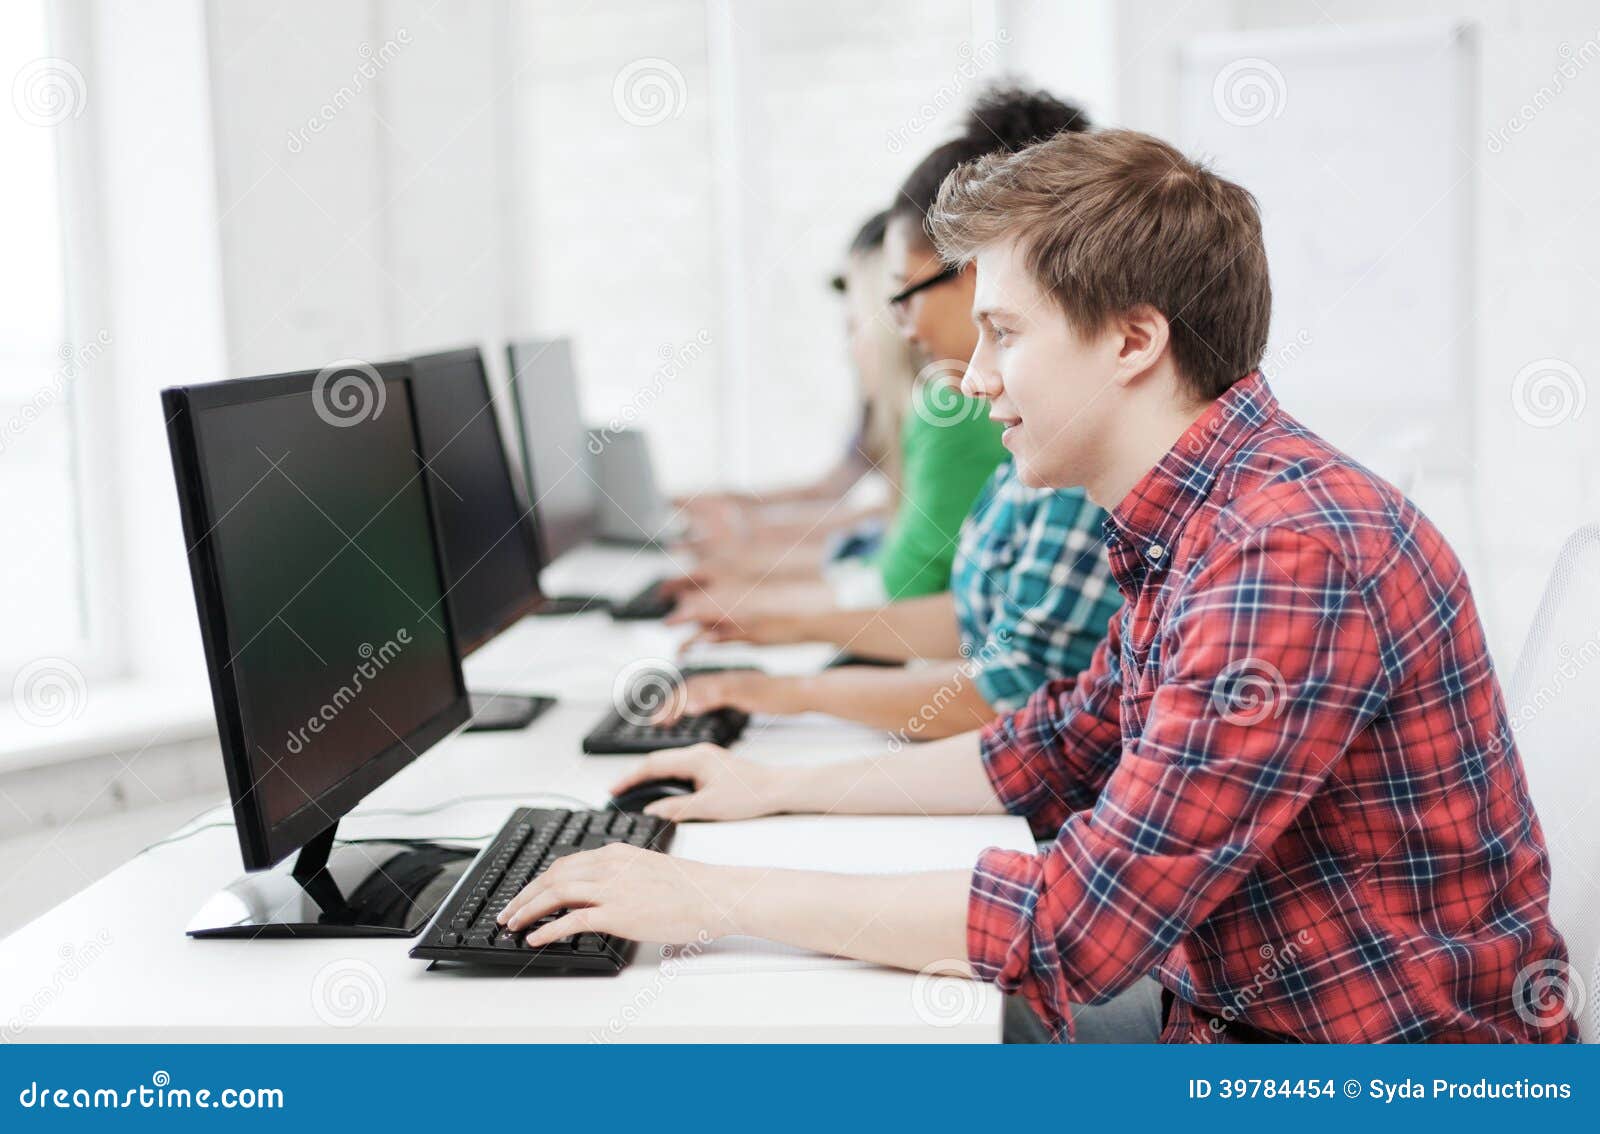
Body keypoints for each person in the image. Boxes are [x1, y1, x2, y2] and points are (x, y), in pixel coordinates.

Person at [498, 127, 1576, 1043]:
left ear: (1133, 341)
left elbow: (1075, 929)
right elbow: (1052, 744)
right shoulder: (1206, 518)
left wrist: (702, 897)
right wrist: (775, 789)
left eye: (1004, 336)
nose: (970, 378)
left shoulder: (1280, 554)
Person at [664, 86, 1119, 738]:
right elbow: (977, 619)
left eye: (899, 298)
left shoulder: (1061, 441)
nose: (896, 331)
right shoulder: (1026, 432)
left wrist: (789, 690)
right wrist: (773, 627)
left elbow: (1006, 694)